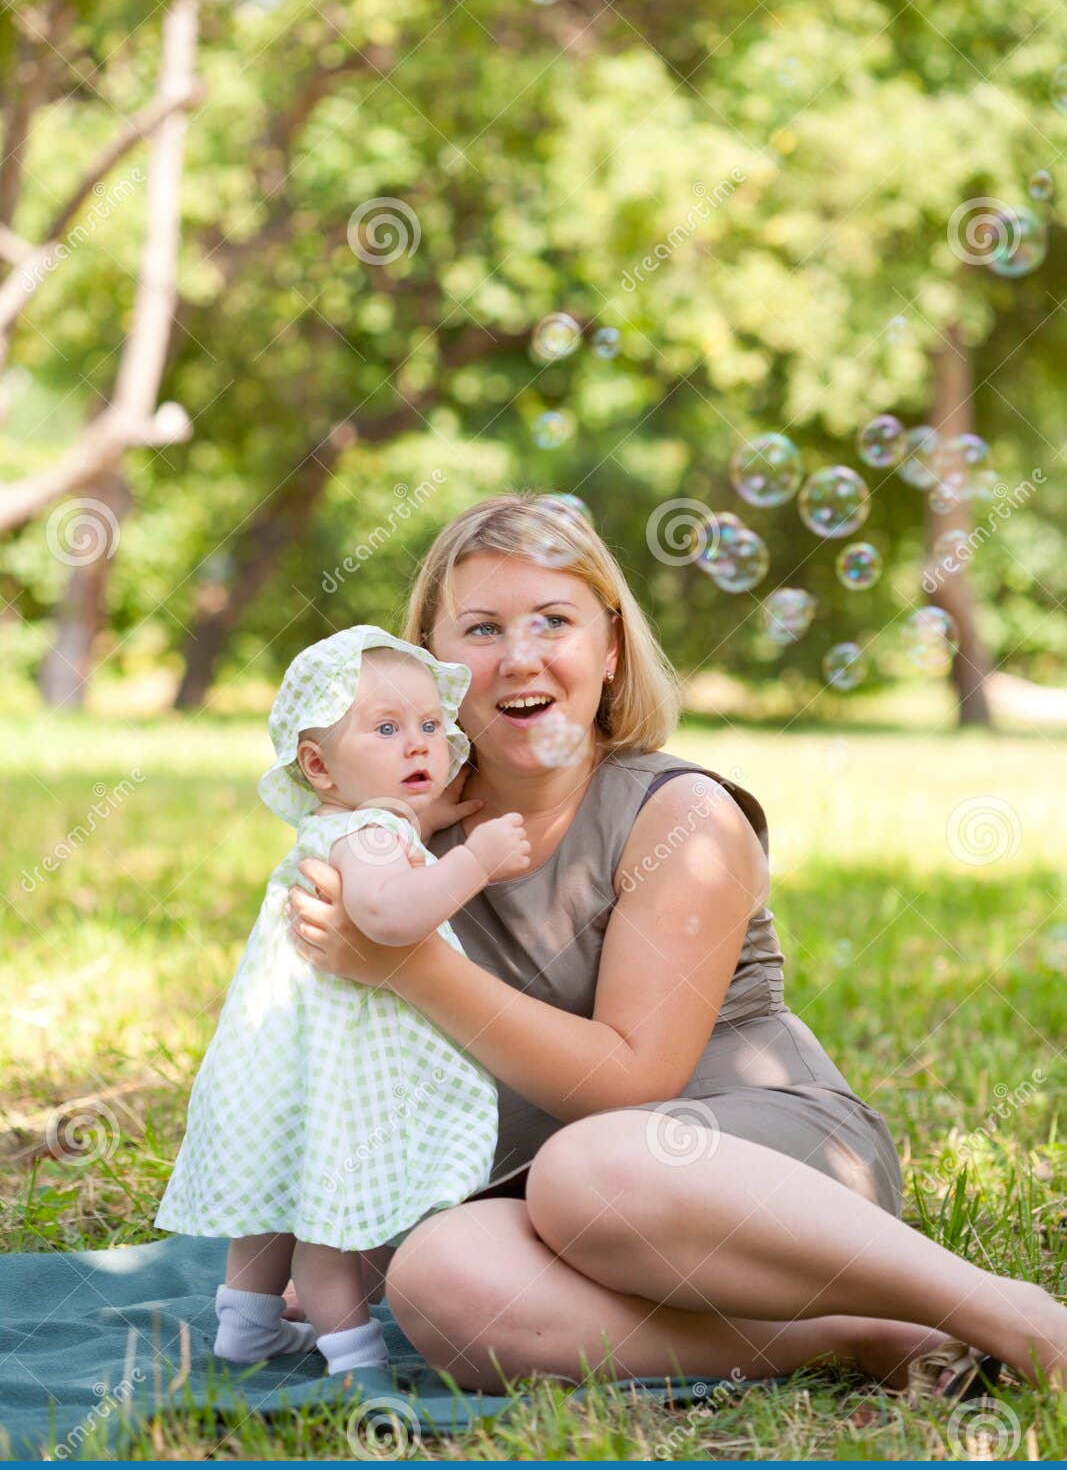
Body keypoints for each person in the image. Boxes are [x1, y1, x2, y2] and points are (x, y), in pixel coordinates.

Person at [285, 495, 1067, 1397]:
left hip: (757, 1173)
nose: (520, 656)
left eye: (554, 621)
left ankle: (1009, 1314)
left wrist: (408, 966)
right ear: (430, 666)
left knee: (593, 1170)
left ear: (609, 650)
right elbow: (360, 1063)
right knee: (439, 1279)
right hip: (556, 1199)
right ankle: (856, 1333)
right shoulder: (396, 848)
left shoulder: (680, 816)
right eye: (481, 628)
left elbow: (628, 1084)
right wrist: (345, 1234)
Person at [155, 625, 530, 1376]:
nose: (419, 745)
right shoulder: (369, 836)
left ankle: (244, 1332)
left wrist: (428, 824)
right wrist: (474, 863)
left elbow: (387, 839)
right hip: (336, 1070)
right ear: (319, 765)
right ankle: (355, 1356)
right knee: (328, 1221)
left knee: (269, 1205)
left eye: (430, 726)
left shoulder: (345, 823)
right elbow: (390, 913)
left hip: (275, 1062)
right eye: (387, 729)